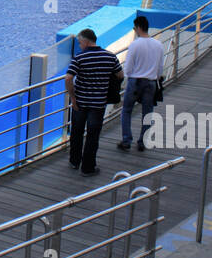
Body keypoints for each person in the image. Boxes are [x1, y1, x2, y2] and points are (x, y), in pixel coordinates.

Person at [65, 28, 119, 176]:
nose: (79, 46)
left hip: (80, 103)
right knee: (92, 136)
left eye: (80, 43)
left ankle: (74, 161)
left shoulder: (79, 58)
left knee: (76, 132)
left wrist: (73, 97)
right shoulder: (110, 56)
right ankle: (88, 168)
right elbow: (120, 74)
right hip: (98, 103)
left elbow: (68, 78)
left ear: (85, 41)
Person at [119, 16, 164, 152]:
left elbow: (128, 67)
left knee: (126, 110)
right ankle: (142, 142)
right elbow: (160, 68)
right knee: (147, 113)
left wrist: (127, 79)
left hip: (135, 81)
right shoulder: (158, 45)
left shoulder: (135, 44)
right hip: (151, 83)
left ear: (138, 27)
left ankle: (126, 140)